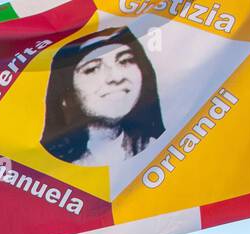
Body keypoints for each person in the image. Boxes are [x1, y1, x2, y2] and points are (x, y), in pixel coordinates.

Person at [41, 26, 165, 167]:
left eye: (125, 61)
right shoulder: (48, 167)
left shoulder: (156, 147)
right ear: (65, 93)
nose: (116, 77)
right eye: (92, 69)